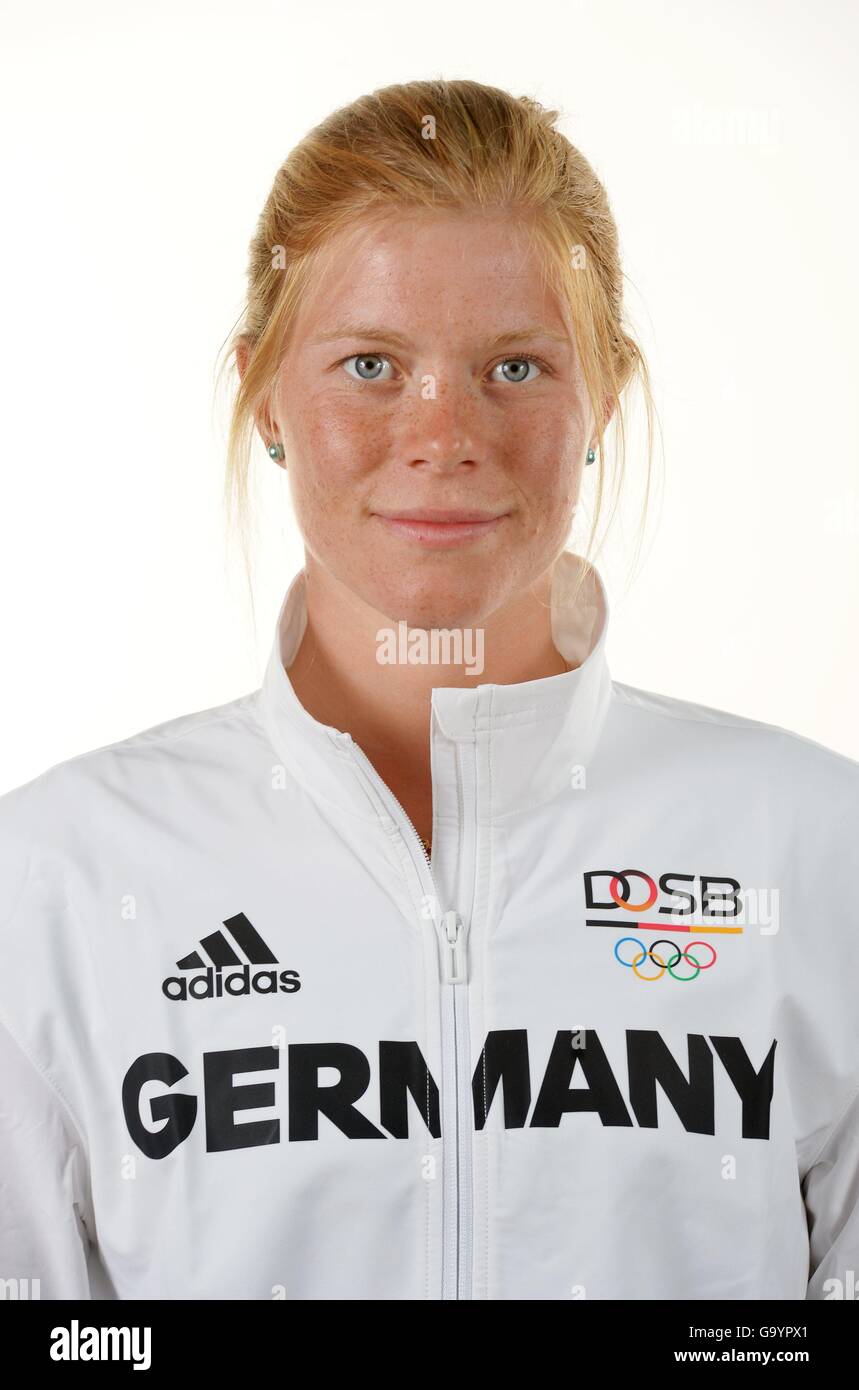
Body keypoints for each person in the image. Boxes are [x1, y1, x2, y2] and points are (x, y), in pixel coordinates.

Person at [0, 78, 856, 1302]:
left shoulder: (821, 855)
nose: (443, 430)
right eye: (368, 363)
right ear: (267, 401)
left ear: (601, 396)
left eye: (515, 364)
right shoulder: (50, 885)